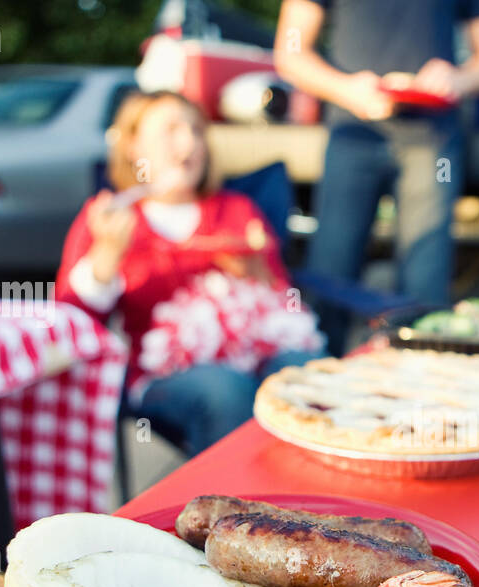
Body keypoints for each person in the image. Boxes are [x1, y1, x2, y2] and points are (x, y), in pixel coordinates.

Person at [55, 91, 325, 457]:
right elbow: (70, 323)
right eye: (171, 130)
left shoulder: (237, 209)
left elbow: (284, 305)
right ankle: (233, 506)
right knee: (226, 391)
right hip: (161, 375)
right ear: (134, 146)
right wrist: (107, 254)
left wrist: (255, 271)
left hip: (255, 356)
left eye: (197, 130)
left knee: (304, 375)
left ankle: (311, 498)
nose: (189, 142)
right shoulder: (109, 218)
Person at [273, 0, 479, 347]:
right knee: (330, 278)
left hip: (432, 141)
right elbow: (290, 53)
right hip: (353, 136)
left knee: (425, 293)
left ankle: (421, 392)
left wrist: (459, 79)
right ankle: (315, 383)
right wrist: (346, 89)